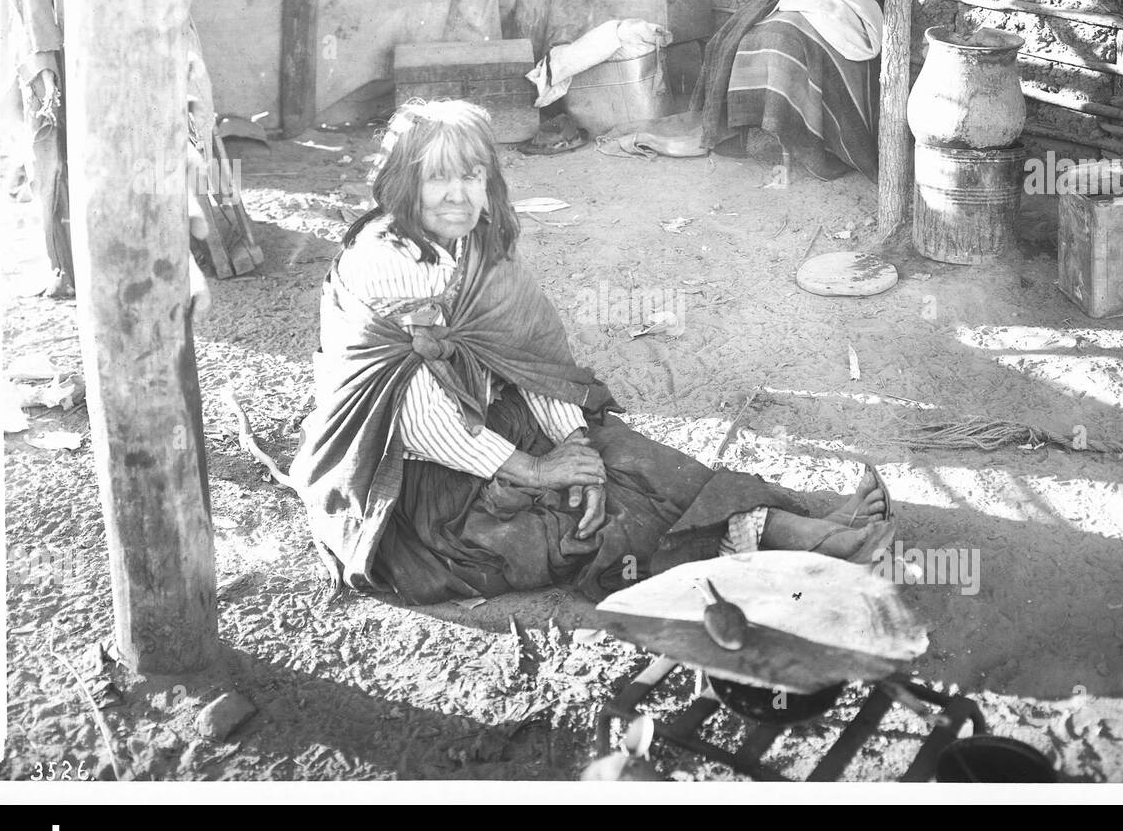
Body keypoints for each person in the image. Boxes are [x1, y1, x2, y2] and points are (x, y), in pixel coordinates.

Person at [290, 99, 895, 605]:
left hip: (481, 417)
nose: (458, 195)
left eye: (472, 175)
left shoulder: (475, 242)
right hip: (404, 476)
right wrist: (535, 468)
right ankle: (795, 552)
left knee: (623, 457)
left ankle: (791, 527)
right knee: (575, 529)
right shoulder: (387, 263)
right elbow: (419, 417)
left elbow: (528, 356)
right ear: (403, 182)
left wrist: (574, 448)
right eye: (437, 177)